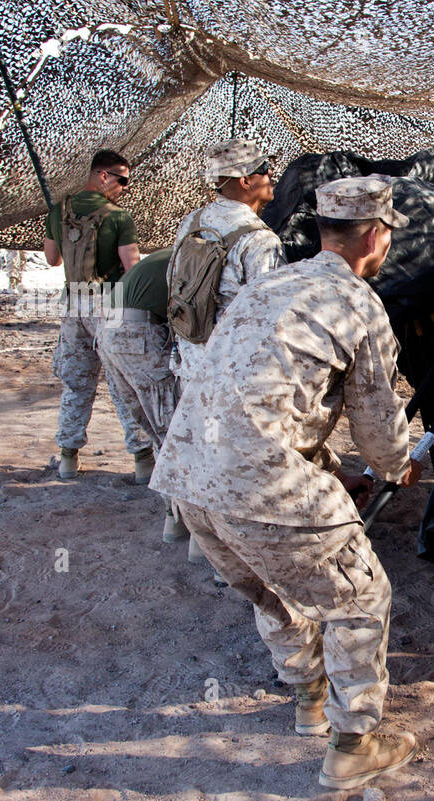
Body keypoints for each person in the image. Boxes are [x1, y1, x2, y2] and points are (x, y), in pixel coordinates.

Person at [151, 176, 423, 790]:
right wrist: (394, 465)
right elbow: (380, 426)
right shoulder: (357, 301)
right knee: (358, 597)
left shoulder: (268, 282)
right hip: (262, 484)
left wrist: (331, 470)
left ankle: (307, 700)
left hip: (190, 478)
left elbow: (258, 396)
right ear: (376, 236)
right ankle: (354, 742)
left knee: (275, 589)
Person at [166, 138, 286, 558]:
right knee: (234, 460)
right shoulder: (259, 240)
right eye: (265, 169)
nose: (272, 177)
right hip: (233, 371)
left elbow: (174, 286)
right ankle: (222, 554)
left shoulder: (191, 222)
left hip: (191, 357)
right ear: (245, 180)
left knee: (198, 445)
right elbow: (271, 314)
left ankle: (187, 530)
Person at [43, 149, 148, 481]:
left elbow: (52, 260)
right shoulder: (119, 218)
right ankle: (143, 461)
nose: (125, 188)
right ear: (103, 175)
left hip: (73, 303)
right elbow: (132, 268)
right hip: (110, 304)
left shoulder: (58, 212)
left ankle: (67, 458)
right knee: (124, 384)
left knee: (76, 383)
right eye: (122, 180)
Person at [95, 247, 186, 539]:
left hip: (109, 333)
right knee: (176, 430)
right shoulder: (194, 263)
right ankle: (189, 526)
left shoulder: (169, 255)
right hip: (136, 335)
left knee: (155, 427)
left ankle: (175, 517)